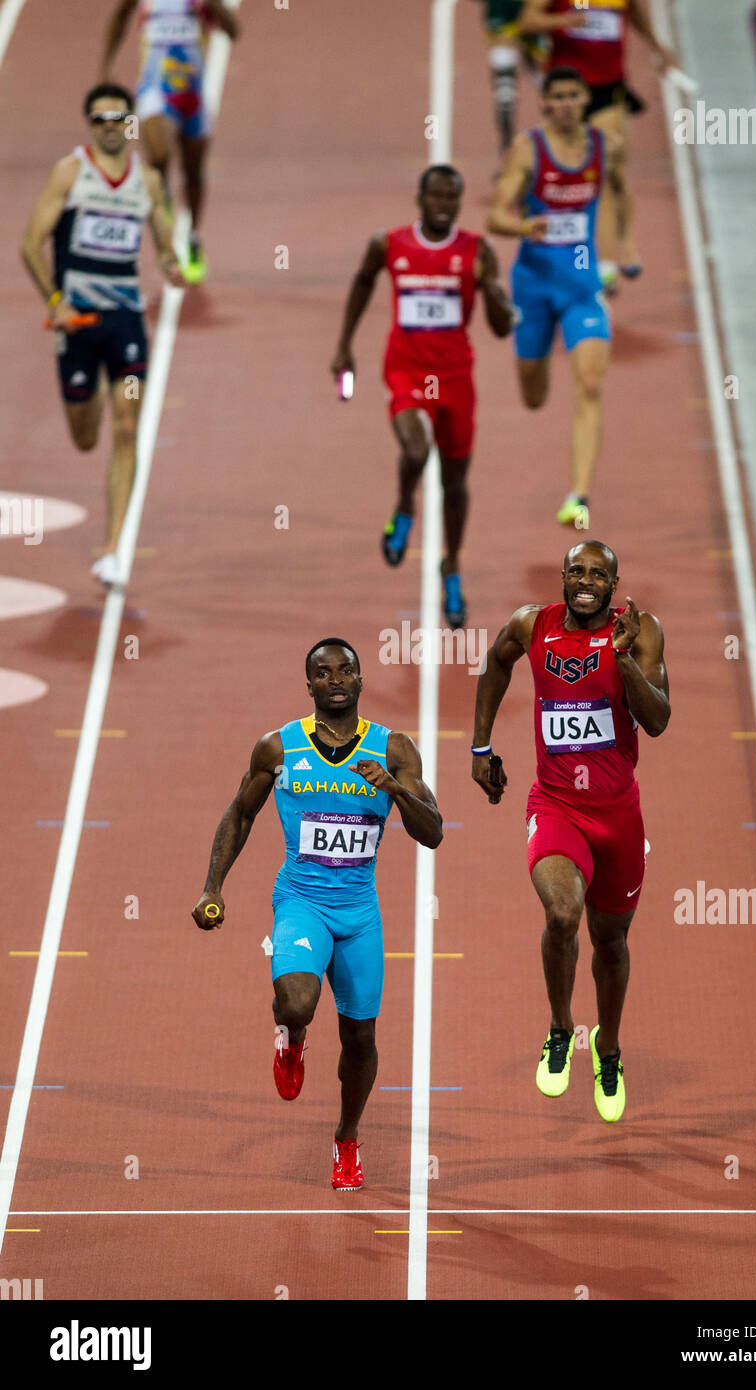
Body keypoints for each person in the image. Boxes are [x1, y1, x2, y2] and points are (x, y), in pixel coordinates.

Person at [191, 640, 443, 1189]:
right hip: (301, 902)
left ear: (360, 680)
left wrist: (397, 789)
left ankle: (346, 1139)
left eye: (345, 670)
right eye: (322, 672)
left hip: (359, 915)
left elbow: (434, 833)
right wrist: (213, 886)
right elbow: (240, 814)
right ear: (308, 685)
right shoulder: (277, 748)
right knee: (297, 1002)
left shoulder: (394, 748)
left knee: (360, 1041)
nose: (335, 679)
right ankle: (293, 1036)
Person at [470, 541, 670, 1122]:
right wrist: (481, 745)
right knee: (561, 914)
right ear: (561, 576)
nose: (585, 582)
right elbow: (495, 663)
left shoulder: (642, 631)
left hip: (618, 816)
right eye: (576, 571)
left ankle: (607, 1046)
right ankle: (562, 1028)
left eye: (597, 574)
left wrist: (626, 659)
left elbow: (656, 722)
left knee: (611, 942)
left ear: (614, 583)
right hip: (555, 803)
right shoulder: (532, 625)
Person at [330, 165, 513, 629]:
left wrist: (492, 291)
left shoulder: (476, 252)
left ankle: (451, 565)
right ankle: (405, 505)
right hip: (406, 368)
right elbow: (362, 281)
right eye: (435, 196)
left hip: (455, 376)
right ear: (419, 198)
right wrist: (344, 345)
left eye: (452, 198)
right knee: (416, 447)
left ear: (458, 202)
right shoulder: (389, 244)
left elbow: (501, 327)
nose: (443, 205)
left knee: (455, 483)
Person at [20, 83, 183, 587]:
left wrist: (173, 262)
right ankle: (82, 397)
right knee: (86, 436)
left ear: (131, 124)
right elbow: (29, 246)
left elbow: (164, 243)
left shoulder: (149, 182)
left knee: (129, 425)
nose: (110, 126)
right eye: (100, 119)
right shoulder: (71, 173)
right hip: (78, 324)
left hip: (126, 325)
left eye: (118, 118)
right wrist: (56, 302)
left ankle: (114, 549)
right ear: (90, 125)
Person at [487, 67, 613, 529]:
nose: (565, 103)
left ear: (585, 98)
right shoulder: (528, 149)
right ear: (544, 103)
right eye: (556, 96)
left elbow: (619, 194)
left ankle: (578, 496)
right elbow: (496, 216)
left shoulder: (604, 147)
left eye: (572, 94)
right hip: (533, 285)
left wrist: (627, 248)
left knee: (593, 385)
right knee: (534, 396)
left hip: (582, 286)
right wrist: (524, 226)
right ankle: (536, 361)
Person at [519, 0, 677, 277]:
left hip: (608, 92)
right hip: (565, 96)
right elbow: (527, 21)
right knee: (563, 175)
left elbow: (637, 14)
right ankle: (572, 254)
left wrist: (658, 48)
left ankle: (617, 252)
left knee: (609, 173)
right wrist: (562, 22)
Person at [101, 0, 240, 282]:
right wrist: (106, 66)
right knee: (159, 155)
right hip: (155, 89)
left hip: (192, 93)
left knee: (193, 170)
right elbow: (119, 17)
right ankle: (164, 207)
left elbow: (233, 31)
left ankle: (193, 237)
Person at [471, 1, 548, 160]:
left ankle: (557, 136)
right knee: (505, 85)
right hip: (504, 18)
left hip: (535, 21)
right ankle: (507, 147)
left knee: (550, 84)